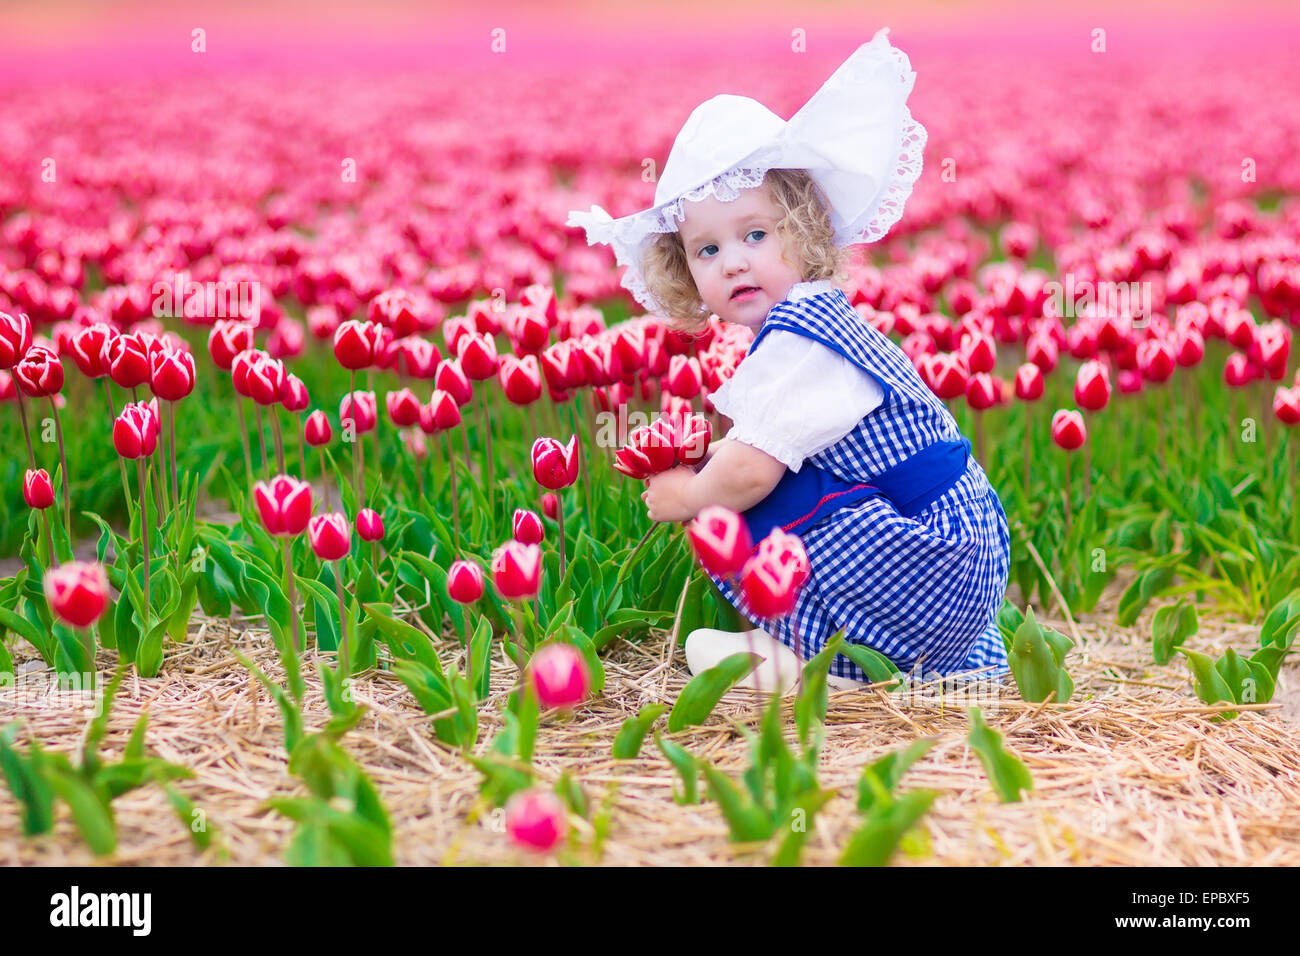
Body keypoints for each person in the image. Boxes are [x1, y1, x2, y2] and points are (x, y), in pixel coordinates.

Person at [567, 28, 1011, 693]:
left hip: (927, 562)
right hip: (961, 554)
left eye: (754, 234)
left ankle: (834, 666)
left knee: (736, 490)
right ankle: (890, 657)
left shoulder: (803, 344)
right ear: (684, 269)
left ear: (806, 235)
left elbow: (748, 474)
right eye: (707, 250)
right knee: (753, 475)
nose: (734, 259)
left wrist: (687, 495)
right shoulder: (822, 322)